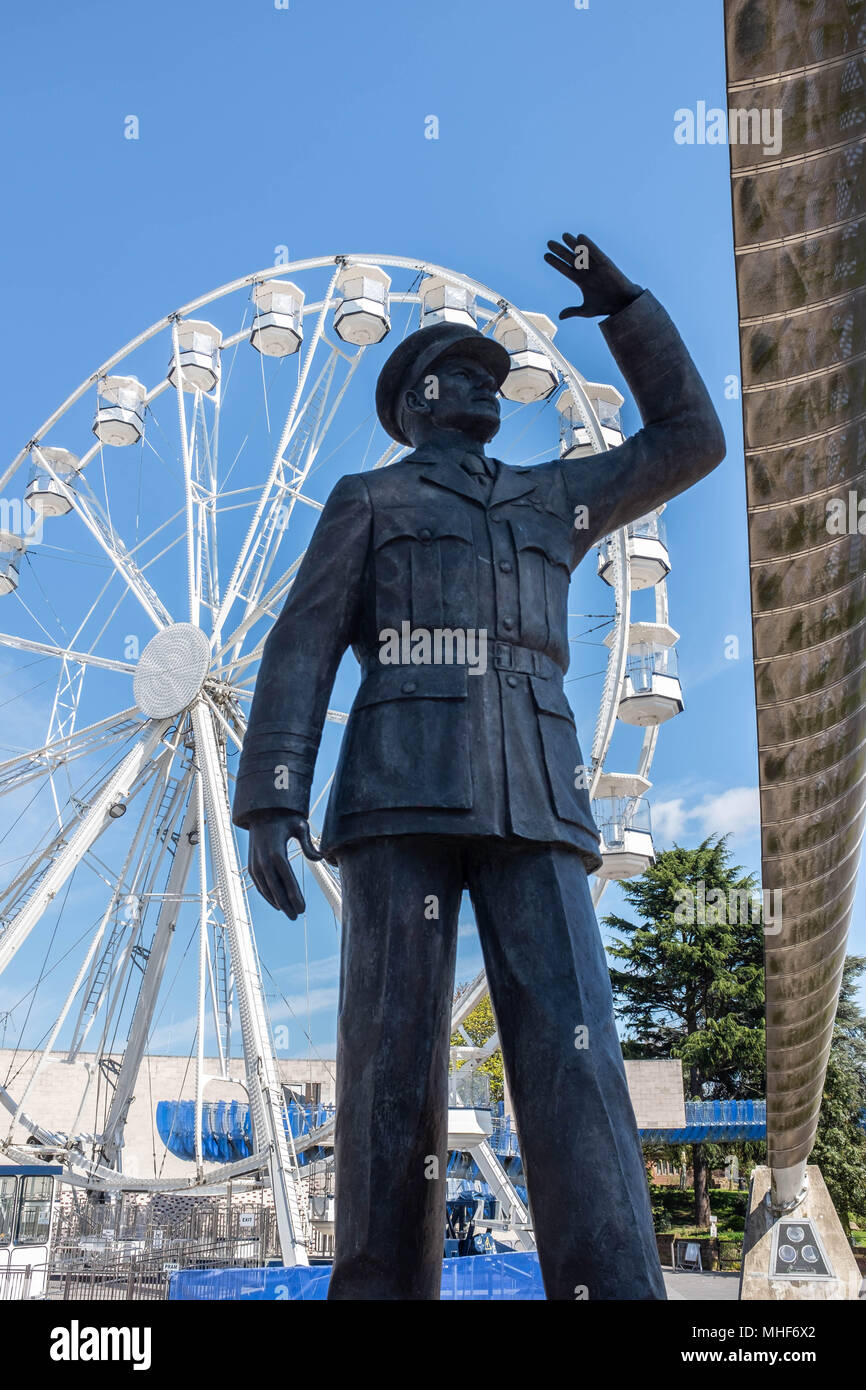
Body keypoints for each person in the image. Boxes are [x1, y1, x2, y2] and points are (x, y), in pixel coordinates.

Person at [233, 233, 726, 1299]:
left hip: (537, 798)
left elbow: (690, 439)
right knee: (388, 1070)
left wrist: (626, 308)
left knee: (578, 1061)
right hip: (398, 795)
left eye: (492, 375)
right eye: (458, 372)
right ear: (414, 400)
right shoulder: (367, 501)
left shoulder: (556, 497)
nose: (484, 386)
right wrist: (271, 795)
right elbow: (302, 644)